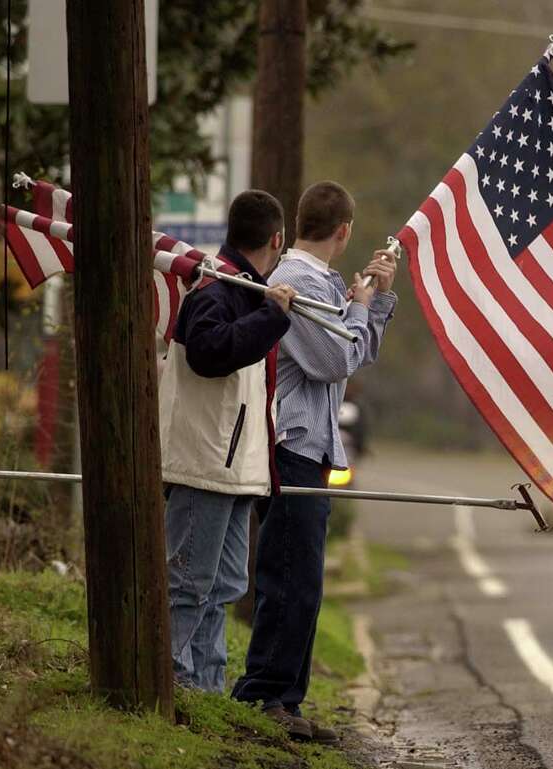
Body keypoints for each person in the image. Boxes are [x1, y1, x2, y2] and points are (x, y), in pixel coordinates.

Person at [232, 181, 398, 743]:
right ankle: (262, 695)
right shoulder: (297, 282)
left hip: (315, 445)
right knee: (288, 574)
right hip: (292, 443)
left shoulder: (321, 282)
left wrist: (373, 301)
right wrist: (359, 306)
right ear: (344, 231)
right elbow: (334, 359)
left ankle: (286, 699)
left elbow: (358, 353)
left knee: (305, 578)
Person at [157, 190, 296, 698]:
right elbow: (209, 353)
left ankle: (208, 687)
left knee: (223, 588)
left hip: (237, 470)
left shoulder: (246, 291)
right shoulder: (216, 290)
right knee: (189, 585)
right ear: (277, 240)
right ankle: (176, 680)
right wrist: (271, 317)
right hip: (205, 465)